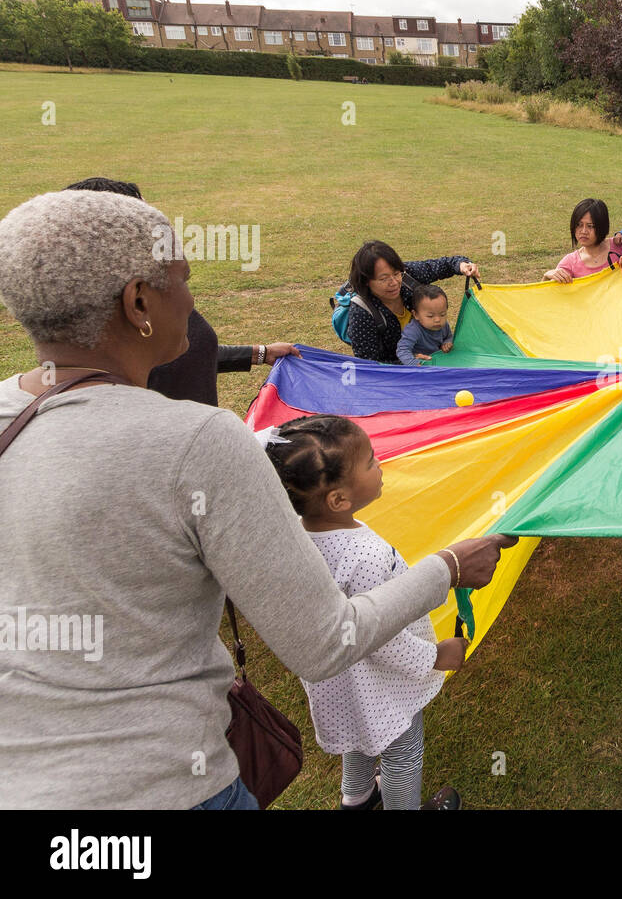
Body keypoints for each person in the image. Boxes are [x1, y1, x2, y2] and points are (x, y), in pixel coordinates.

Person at [0, 190, 514, 809]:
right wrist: (450, 567)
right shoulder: (197, 442)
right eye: (182, 280)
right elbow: (325, 641)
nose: (191, 302)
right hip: (164, 785)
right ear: (138, 301)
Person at [265, 415, 469, 810]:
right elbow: (381, 637)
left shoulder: (291, 535)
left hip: (337, 682)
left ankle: (356, 798)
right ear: (338, 500)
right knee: (402, 754)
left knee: (359, 740)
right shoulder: (366, 557)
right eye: (372, 461)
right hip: (382, 686)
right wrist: (436, 656)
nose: (381, 466)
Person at [64, 177, 299, 404]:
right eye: (146, 216)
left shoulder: (150, 292)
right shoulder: (112, 324)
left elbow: (187, 353)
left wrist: (260, 353)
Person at [345, 240, 479, 364]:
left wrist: (462, 265)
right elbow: (369, 365)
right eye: (384, 278)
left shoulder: (407, 275)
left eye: (396, 273)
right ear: (366, 281)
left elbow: (444, 264)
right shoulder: (361, 313)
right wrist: (408, 361)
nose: (394, 282)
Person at [544, 198, 622, 283]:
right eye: (579, 225)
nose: (583, 231)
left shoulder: (621, 246)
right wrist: (546, 277)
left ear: (602, 226)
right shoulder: (570, 263)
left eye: (590, 226)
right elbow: (547, 294)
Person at [397, 284, 454, 366]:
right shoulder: (413, 330)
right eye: (430, 316)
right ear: (416, 315)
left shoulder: (444, 325)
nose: (437, 320)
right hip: (421, 363)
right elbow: (402, 350)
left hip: (438, 361)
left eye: (442, 314)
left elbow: (449, 336)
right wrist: (413, 363)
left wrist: (447, 342)